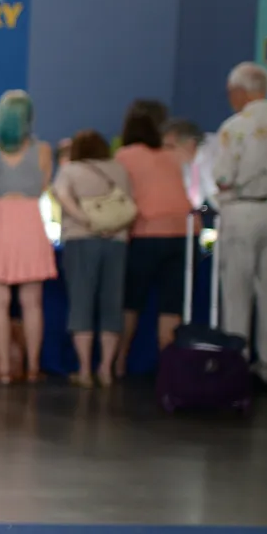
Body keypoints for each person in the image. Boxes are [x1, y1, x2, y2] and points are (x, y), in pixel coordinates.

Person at [0, 91, 56, 385]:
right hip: (29, 222)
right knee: (32, 303)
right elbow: (44, 185)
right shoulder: (44, 150)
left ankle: (3, 369)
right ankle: (33, 368)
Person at [212, 62, 267, 385]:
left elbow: (223, 176)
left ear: (240, 91)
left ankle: (236, 361)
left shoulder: (235, 127)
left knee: (236, 291)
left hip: (241, 210)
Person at [53, 130, 134, 388]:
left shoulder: (71, 170)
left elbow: (62, 197)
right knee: (112, 303)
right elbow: (129, 203)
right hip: (117, 242)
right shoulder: (119, 170)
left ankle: (85, 369)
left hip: (80, 240)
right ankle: (106, 369)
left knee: (82, 302)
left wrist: (87, 219)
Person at [113, 100, 189, 375]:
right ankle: (169, 368)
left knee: (130, 302)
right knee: (171, 305)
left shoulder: (124, 157)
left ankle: (118, 362)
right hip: (182, 234)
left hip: (145, 233)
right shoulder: (172, 156)